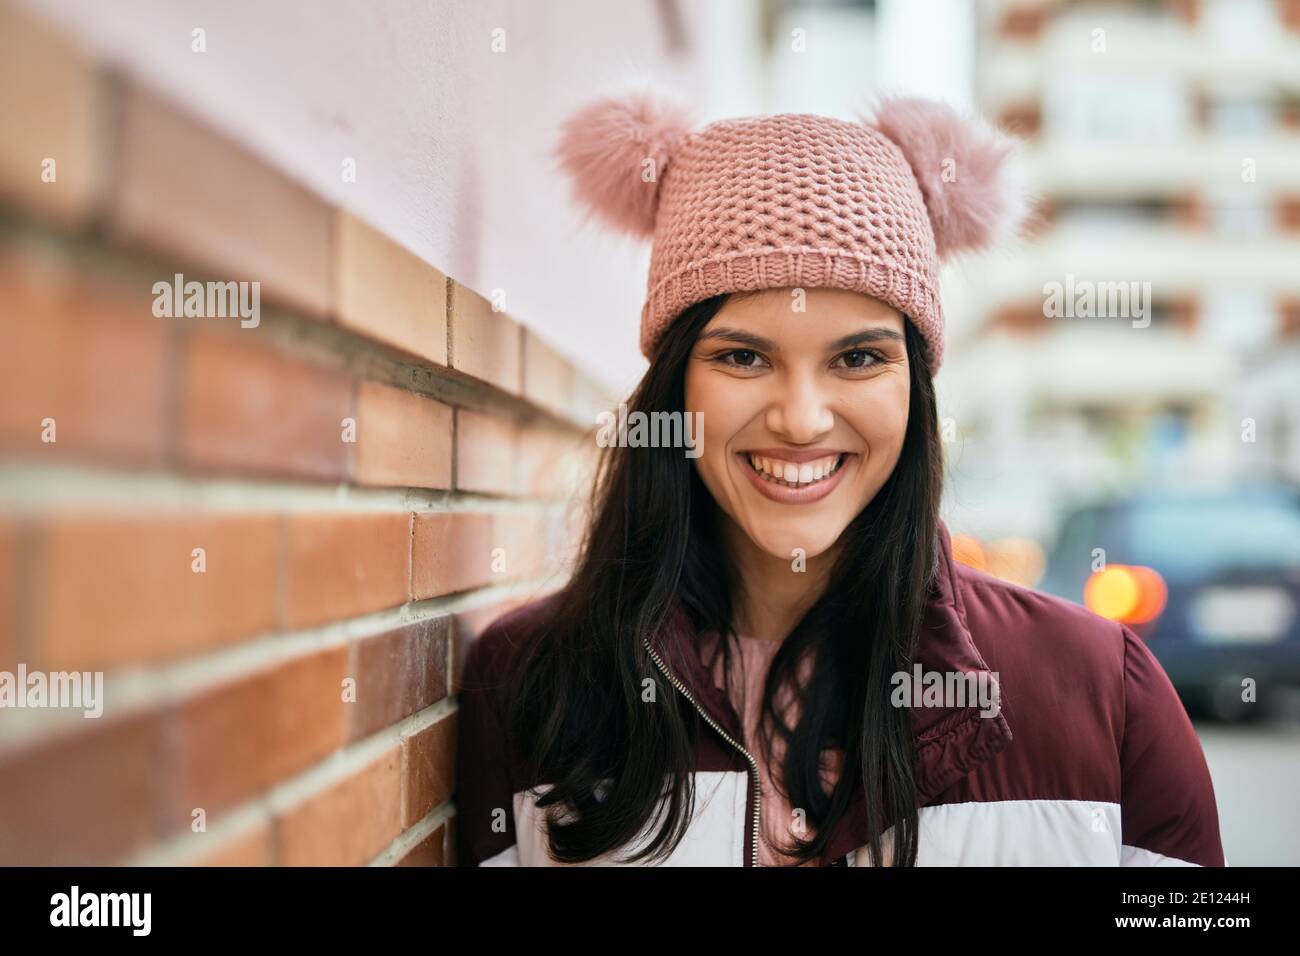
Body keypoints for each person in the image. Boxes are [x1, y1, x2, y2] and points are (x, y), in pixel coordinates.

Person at [454, 88, 1226, 867]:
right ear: (675, 388)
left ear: (913, 392)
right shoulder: (527, 683)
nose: (801, 419)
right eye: (742, 357)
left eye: (858, 358)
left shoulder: (1103, 690)